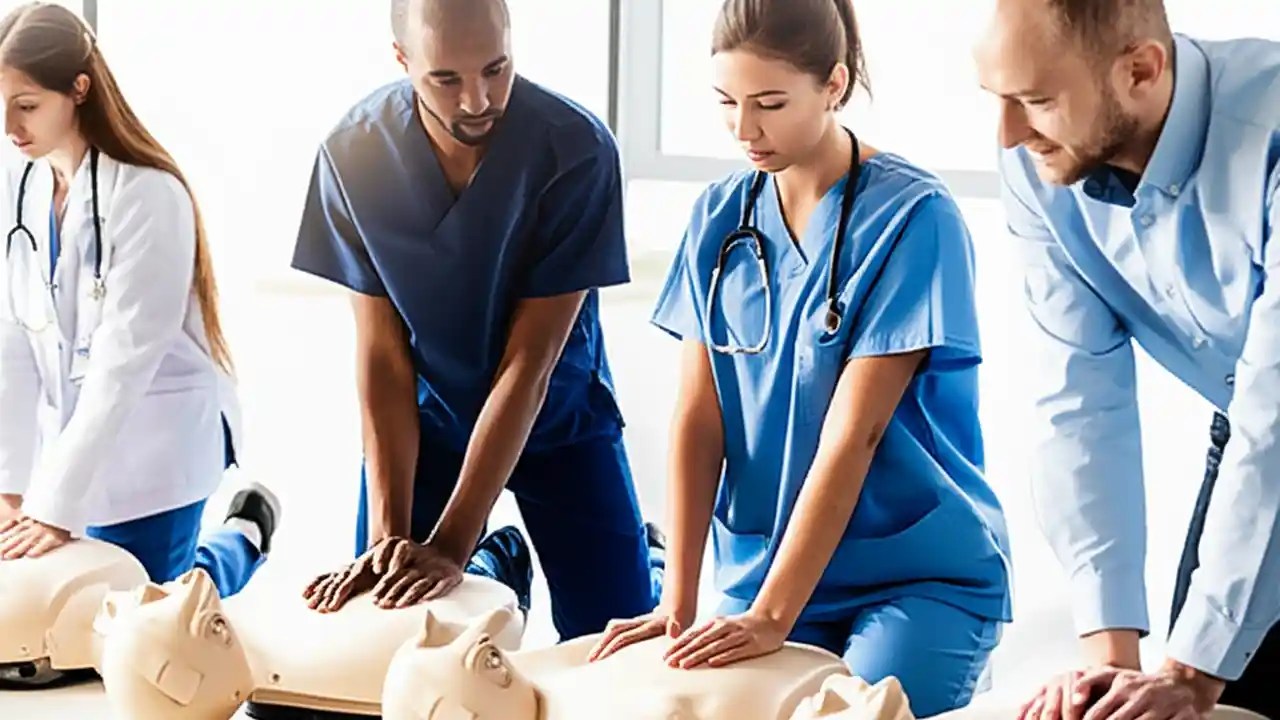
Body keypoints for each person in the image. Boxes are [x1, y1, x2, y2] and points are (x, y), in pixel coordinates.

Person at [588, 1, 1013, 716]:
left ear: (834, 85)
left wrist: (772, 618)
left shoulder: (913, 217)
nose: (744, 129)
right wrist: (677, 603)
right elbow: (700, 418)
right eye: (727, 102)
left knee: (857, 711)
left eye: (770, 103)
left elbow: (856, 433)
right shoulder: (720, 217)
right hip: (764, 568)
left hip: (913, 573)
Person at [290, 0, 663, 641]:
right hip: (431, 422)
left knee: (612, 640)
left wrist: (453, 544)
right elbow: (382, 357)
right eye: (446, 79)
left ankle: (643, 554)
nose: (478, 101)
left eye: (496, 68)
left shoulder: (575, 149)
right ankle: (499, 565)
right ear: (402, 59)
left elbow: (530, 363)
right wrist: (388, 540)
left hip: (557, 417)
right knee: (394, 621)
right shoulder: (355, 154)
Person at [973, 0, 1280, 717]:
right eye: (998, 98)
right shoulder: (1037, 162)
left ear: (1141, 70)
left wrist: (1190, 674)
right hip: (1246, 423)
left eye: (1036, 101)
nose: (1008, 133)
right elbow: (1078, 402)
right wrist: (1107, 666)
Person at [0, 2, 278, 599]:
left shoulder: (149, 195)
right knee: (70, 616)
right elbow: (14, 340)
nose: (8, 126)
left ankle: (244, 537)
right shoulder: (21, 187)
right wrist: (10, 485)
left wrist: (53, 505)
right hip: (75, 446)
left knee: (150, 618)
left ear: (79, 90)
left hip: (158, 445)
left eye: (26, 106)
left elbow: (121, 365)